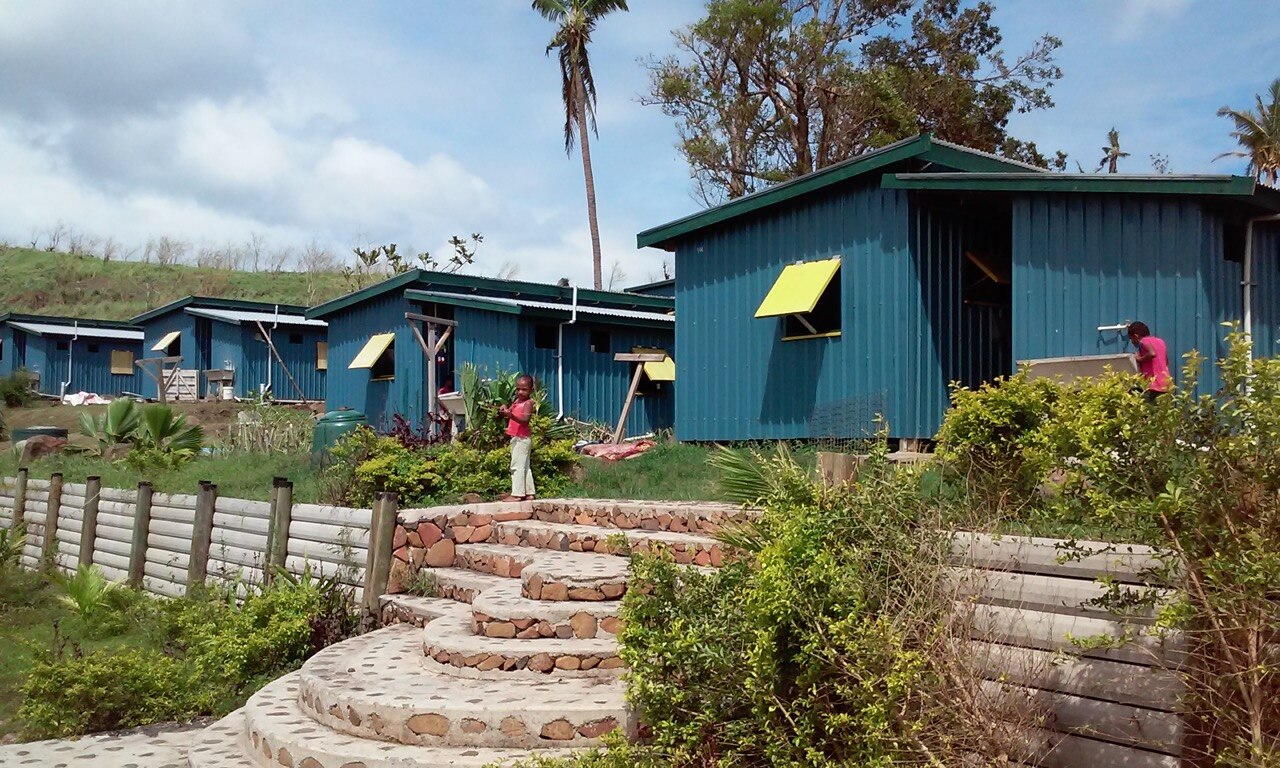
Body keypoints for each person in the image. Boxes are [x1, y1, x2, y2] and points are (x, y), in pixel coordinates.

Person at [499, 374, 536, 501]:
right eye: (518, 389)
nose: (520, 392)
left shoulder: (528, 403)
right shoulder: (517, 401)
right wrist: (504, 409)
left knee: (516, 465)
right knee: (525, 466)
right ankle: (529, 492)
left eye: (524, 389)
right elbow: (509, 411)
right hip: (516, 437)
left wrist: (511, 416)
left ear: (531, 390)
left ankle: (517, 494)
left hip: (522, 438)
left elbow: (525, 420)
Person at [1127, 321, 1171, 403]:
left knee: (1148, 411)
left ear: (1136, 336)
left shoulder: (1144, 341)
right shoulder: (1160, 341)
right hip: (1166, 384)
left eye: (1131, 339)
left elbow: (1152, 353)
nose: (1132, 342)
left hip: (1153, 385)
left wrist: (1139, 359)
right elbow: (1166, 361)